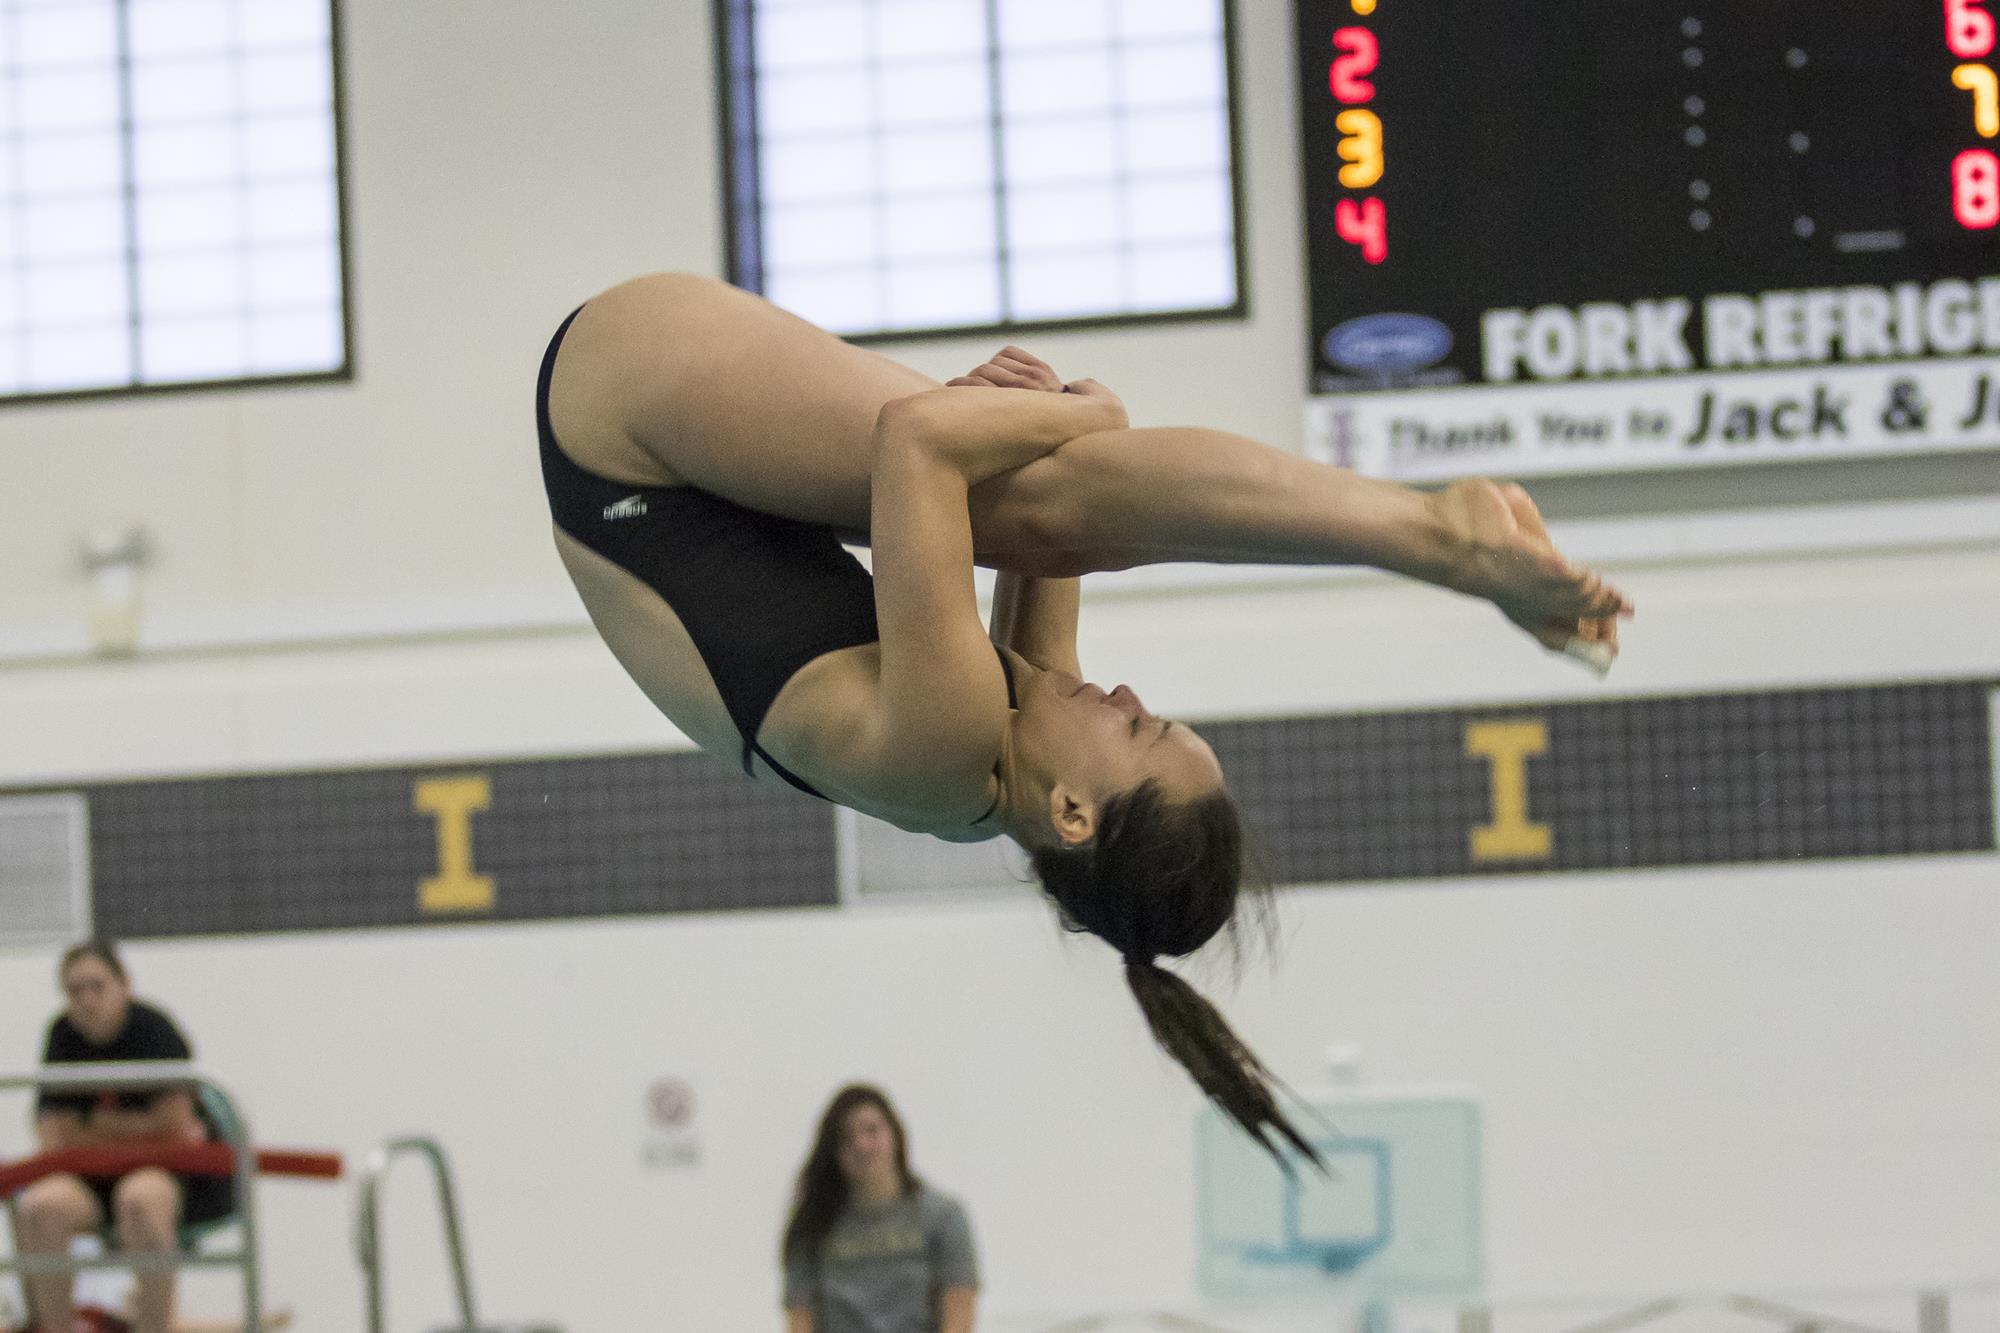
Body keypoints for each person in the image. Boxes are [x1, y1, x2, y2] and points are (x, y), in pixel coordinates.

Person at [538, 274, 1633, 1161]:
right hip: (695, 480)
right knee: (1044, 502)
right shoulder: (1008, 757)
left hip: (621, 426)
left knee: (1048, 488)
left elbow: (919, 443)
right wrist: (1035, 416)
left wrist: (1076, 417)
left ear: (1071, 811)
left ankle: (1431, 539)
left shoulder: (945, 752)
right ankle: (1426, 537)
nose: (1123, 697)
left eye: (1137, 730)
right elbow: (1017, 524)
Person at [13, 943, 231, 1333]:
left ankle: (154, 1325)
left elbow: (176, 1126)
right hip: (93, 1181)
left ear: (124, 985)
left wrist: (91, 1128)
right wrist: (138, 1125)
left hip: (164, 1174)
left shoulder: (154, 1031)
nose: (86, 1001)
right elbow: (50, 1134)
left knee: (140, 1199)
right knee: (38, 1208)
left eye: (96, 987)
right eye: (75, 991)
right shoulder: (62, 1036)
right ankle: (56, 1327)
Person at [781, 1086, 977, 1333]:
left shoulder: (943, 1218)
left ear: (895, 1134)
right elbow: (799, 1317)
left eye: (872, 1131)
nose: (862, 1145)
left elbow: (960, 1308)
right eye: (847, 1138)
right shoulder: (811, 1229)